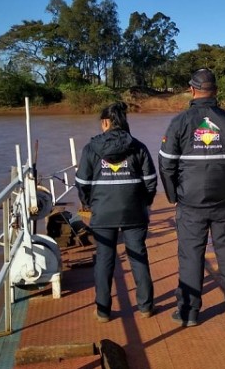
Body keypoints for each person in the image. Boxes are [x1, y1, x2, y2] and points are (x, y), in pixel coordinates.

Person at [158, 68, 225, 326]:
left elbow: (166, 163)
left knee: (191, 255)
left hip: (190, 201)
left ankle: (188, 313)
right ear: (216, 91)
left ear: (191, 90)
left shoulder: (179, 122)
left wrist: (173, 195)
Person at [75, 102, 157, 323]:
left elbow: (82, 183)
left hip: (103, 212)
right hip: (134, 211)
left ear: (105, 122)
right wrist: (145, 202)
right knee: (138, 256)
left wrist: (90, 204)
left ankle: (103, 311)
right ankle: (146, 307)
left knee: (104, 259)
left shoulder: (91, 149)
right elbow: (150, 181)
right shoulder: (138, 147)